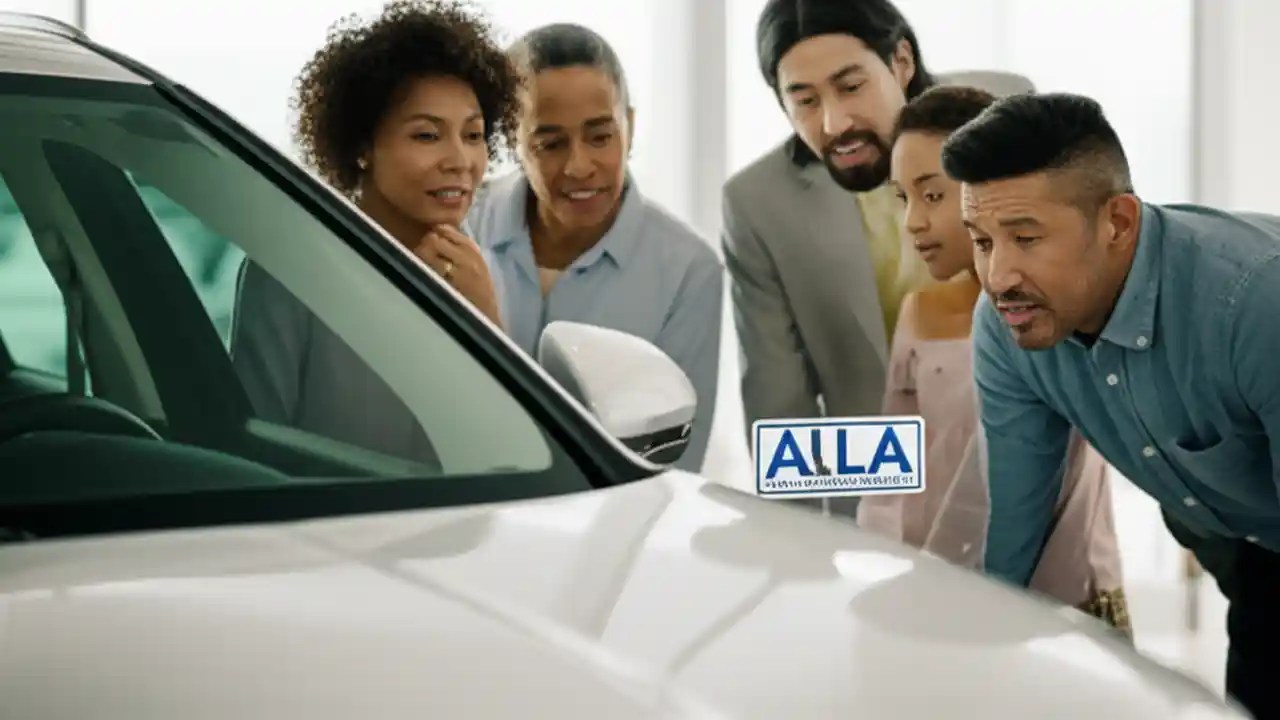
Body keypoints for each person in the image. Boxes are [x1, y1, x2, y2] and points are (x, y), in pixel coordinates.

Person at [944, 91, 1280, 717]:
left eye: (1025, 237)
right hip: (1250, 546)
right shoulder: (1006, 326)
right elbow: (1017, 525)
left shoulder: (1254, 301)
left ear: (1118, 223)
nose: (998, 276)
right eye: (983, 241)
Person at [856, 85, 1128, 633]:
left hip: (1062, 603)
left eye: (933, 196)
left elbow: (1022, 483)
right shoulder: (917, 313)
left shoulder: (1055, 317)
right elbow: (887, 465)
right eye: (902, 198)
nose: (912, 222)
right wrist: (878, 571)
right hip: (928, 601)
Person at [230, 0, 521, 462]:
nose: (460, 161)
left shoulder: (483, 269)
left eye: (472, 135)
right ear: (363, 146)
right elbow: (252, 453)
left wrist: (486, 326)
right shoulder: (293, 269)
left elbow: (515, 457)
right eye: (427, 135)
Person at [467, 23, 723, 473]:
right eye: (550, 143)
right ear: (512, 141)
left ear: (631, 125)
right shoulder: (463, 226)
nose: (580, 166)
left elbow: (675, 465)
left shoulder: (689, 271)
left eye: (601, 136)